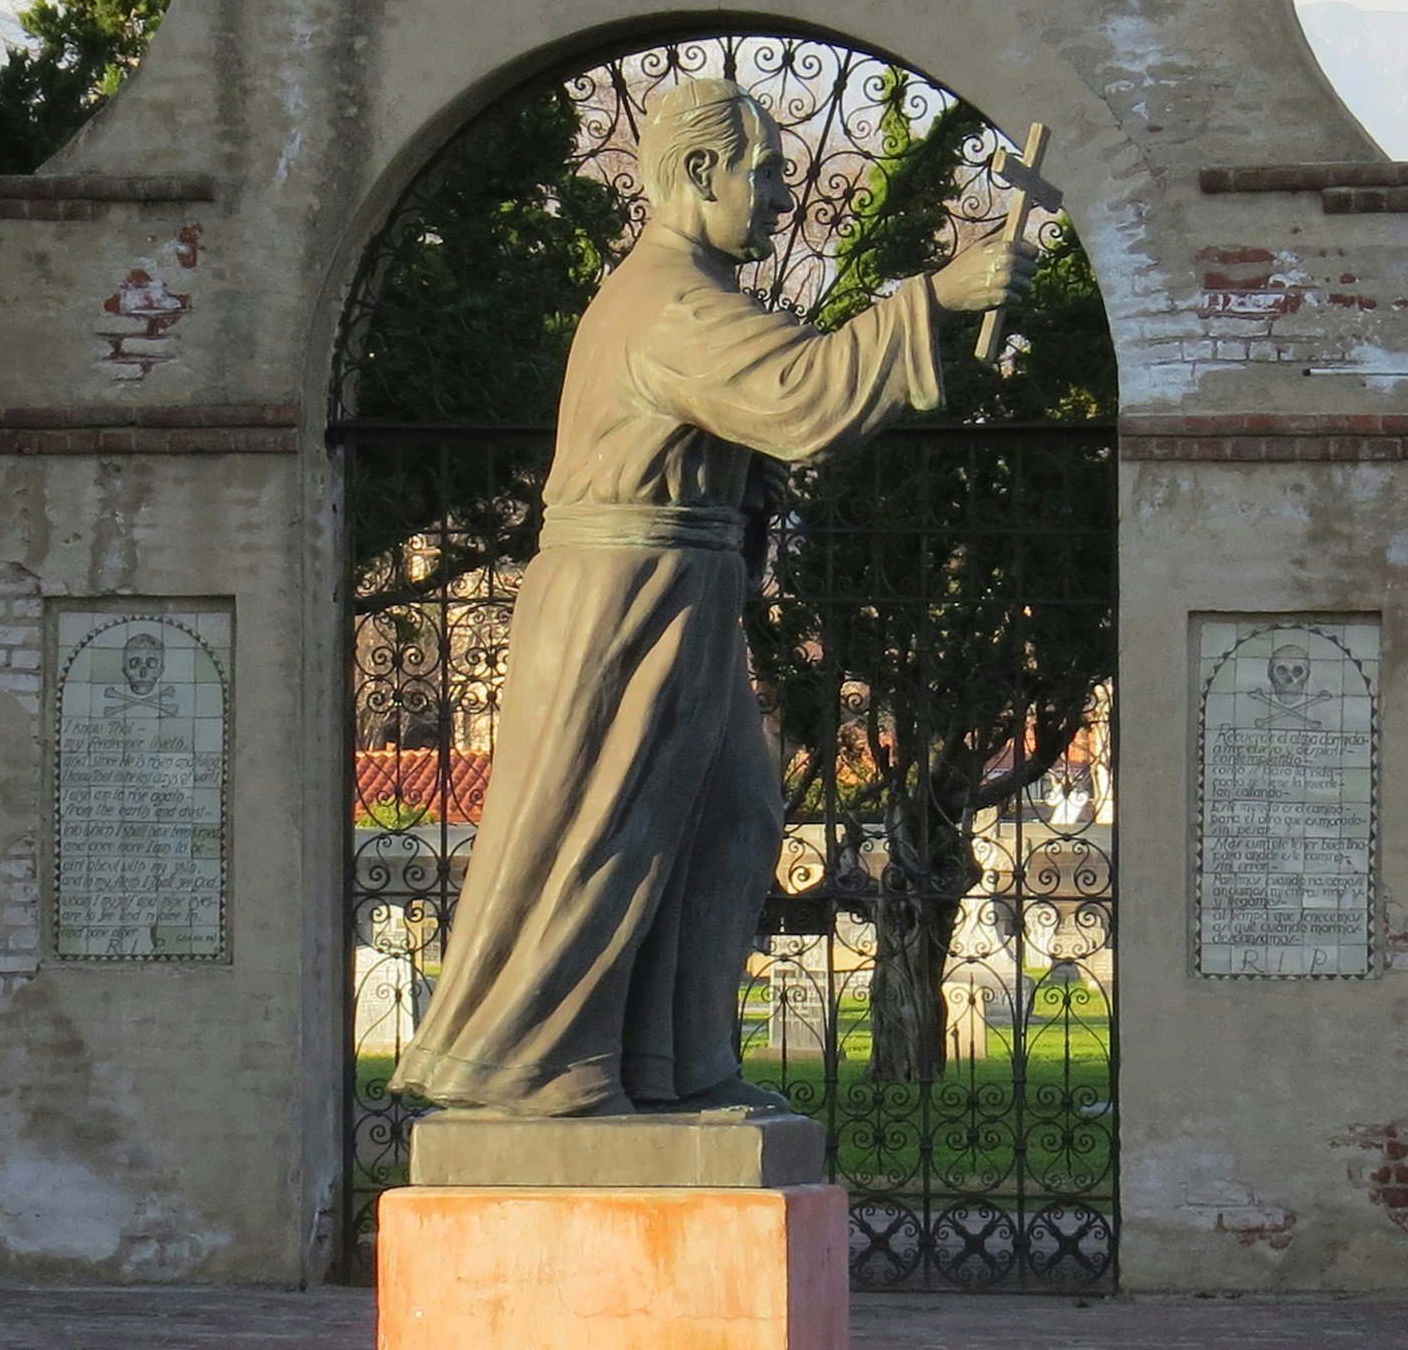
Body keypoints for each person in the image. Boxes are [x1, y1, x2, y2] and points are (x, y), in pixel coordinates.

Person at [392, 76, 1035, 1116]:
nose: (780, 199)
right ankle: (526, 1067)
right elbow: (797, 396)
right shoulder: (669, 304)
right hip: (624, 596)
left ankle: (676, 1067)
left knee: (728, 819)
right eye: (765, 173)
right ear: (700, 172)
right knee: (599, 831)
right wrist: (935, 298)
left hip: (679, 585)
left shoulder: (691, 294)